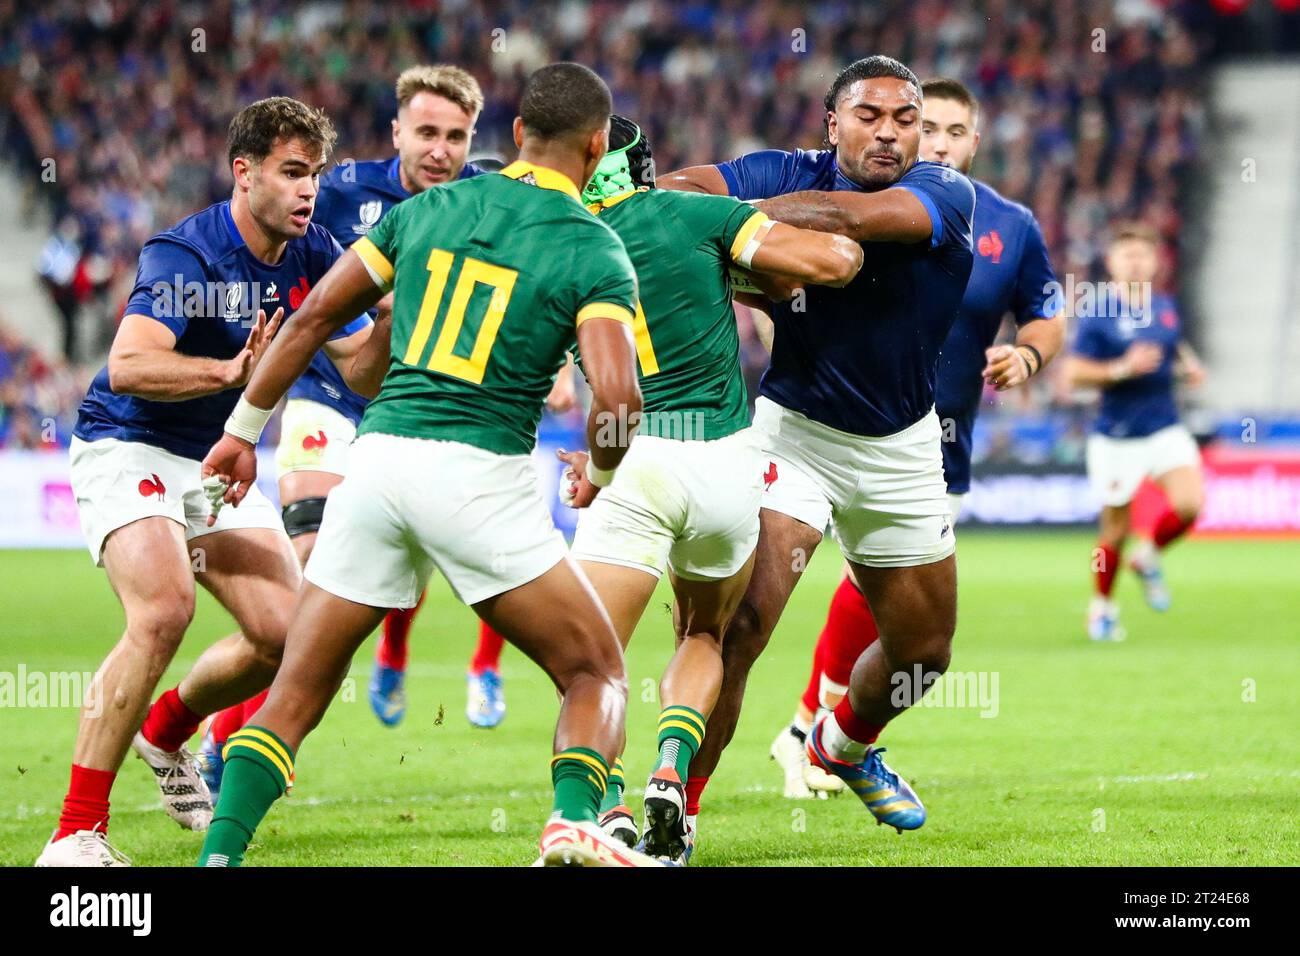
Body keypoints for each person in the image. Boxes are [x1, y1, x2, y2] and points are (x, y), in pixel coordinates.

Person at [196, 63, 662, 868]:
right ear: (596, 147)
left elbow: (310, 319)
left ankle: (219, 858)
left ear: (515, 135)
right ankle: (571, 822)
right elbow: (617, 399)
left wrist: (242, 431)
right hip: (480, 474)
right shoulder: (594, 245)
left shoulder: (432, 208)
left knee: (294, 696)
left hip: (376, 464)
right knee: (594, 670)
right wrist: (605, 474)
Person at [37, 97, 385, 867]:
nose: (307, 190)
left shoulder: (314, 252)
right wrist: (229, 371)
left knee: (290, 635)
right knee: (164, 609)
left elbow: (361, 365)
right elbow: (127, 364)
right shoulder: (186, 254)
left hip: (213, 461)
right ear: (244, 171)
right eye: (292, 172)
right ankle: (74, 834)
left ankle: (165, 734)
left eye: (315, 175)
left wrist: (397, 312)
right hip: (129, 443)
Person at [660, 55, 974, 838]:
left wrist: (746, 228)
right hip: (791, 437)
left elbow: (860, 221)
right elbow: (679, 192)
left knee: (924, 656)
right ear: (832, 123)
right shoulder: (782, 168)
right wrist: (721, 220)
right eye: (869, 115)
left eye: (907, 119)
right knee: (738, 628)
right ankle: (680, 813)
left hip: (901, 447)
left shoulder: (943, 190)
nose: (891, 132)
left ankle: (842, 744)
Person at [560, 116, 861, 862]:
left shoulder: (554, 245)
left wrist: (590, 467)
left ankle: (611, 804)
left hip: (630, 460)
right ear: (645, 166)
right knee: (703, 634)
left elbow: (570, 385)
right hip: (727, 460)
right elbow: (829, 264)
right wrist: (827, 237)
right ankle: (670, 768)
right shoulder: (699, 213)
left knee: (590, 658)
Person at [770, 77, 1066, 799]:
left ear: (975, 139)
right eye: (926, 127)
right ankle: (811, 729)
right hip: (826, 422)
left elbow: (1047, 312)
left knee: (884, 600)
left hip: (936, 438)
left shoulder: (1012, 224)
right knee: (845, 588)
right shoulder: (863, 203)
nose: (937, 142)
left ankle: (815, 732)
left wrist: (1028, 355)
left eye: (953, 131)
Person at [1065, 221, 1206, 641]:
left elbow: (1172, 342)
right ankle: (1103, 609)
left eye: (1143, 254)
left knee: (1190, 505)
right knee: (1115, 532)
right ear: (1111, 263)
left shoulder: (1165, 306)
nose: (1136, 261)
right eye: (1127, 254)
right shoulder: (1098, 314)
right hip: (1116, 435)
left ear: (1155, 262)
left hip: (1164, 427)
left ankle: (1148, 557)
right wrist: (1123, 368)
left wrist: (1188, 364)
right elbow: (1074, 374)